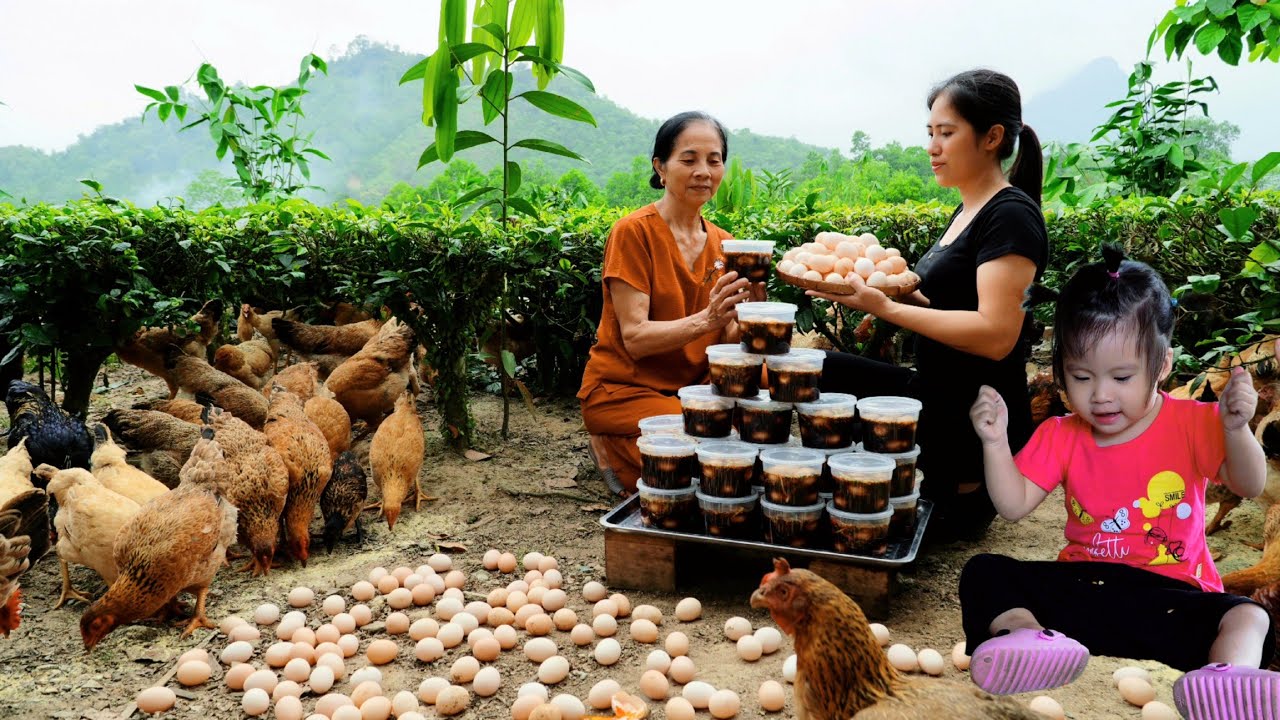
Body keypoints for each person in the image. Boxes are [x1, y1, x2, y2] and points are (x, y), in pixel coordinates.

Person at [959, 246, 1277, 715]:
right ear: (1061, 369)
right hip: (1086, 592)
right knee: (984, 571)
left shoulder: (1193, 422)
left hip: (1172, 599)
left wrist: (1235, 430)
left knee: (1248, 614)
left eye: (1122, 376)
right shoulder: (1062, 434)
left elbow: (1249, 484)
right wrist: (994, 442)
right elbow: (1013, 504)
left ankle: (1227, 680)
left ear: (1162, 365)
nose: (1101, 396)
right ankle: (1027, 639)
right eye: (1081, 377)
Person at [809, 69, 1046, 539]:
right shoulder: (967, 210)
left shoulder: (1011, 216)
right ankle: (835, 477)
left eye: (947, 133)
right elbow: (947, 303)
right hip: (934, 393)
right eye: (930, 133)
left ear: (992, 137)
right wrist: (878, 293)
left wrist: (887, 309)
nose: (933, 147)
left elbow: (997, 336)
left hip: (971, 417)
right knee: (813, 368)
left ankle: (956, 489)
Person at [578, 111, 761, 496]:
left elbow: (725, 338)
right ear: (660, 167)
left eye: (714, 160)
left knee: (767, 394)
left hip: (693, 386)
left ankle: (650, 443)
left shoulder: (725, 243)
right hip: (626, 387)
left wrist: (750, 312)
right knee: (706, 454)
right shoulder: (634, 233)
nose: (703, 171)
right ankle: (610, 446)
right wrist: (707, 318)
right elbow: (637, 338)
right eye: (689, 159)